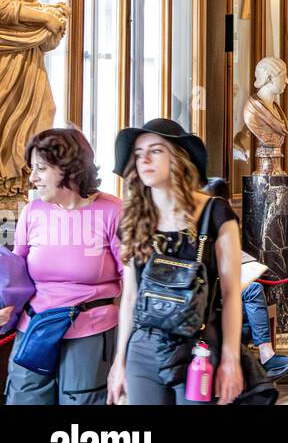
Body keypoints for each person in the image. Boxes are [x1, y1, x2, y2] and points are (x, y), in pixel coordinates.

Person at [108, 119, 244, 405]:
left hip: (198, 348)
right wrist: (119, 361)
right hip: (143, 350)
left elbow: (232, 294)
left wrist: (231, 359)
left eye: (155, 150)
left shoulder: (215, 214)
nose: (144, 159)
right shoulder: (132, 219)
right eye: (138, 153)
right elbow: (130, 296)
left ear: (178, 159)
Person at [3, 128, 122, 405]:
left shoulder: (114, 212)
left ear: (68, 168)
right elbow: (15, 274)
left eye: (41, 169)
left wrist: (124, 355)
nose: (32, 179)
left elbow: (132, 286)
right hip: (34, 328)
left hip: (92, 330)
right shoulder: (33, 212)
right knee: (23, 398)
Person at [202, 177, 288, 382]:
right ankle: (265, 357)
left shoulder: (217, 221)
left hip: (218, 287)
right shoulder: (204, 223)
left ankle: (254, 358)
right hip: (205, 292)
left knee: (250, 294)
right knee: (251, 291)